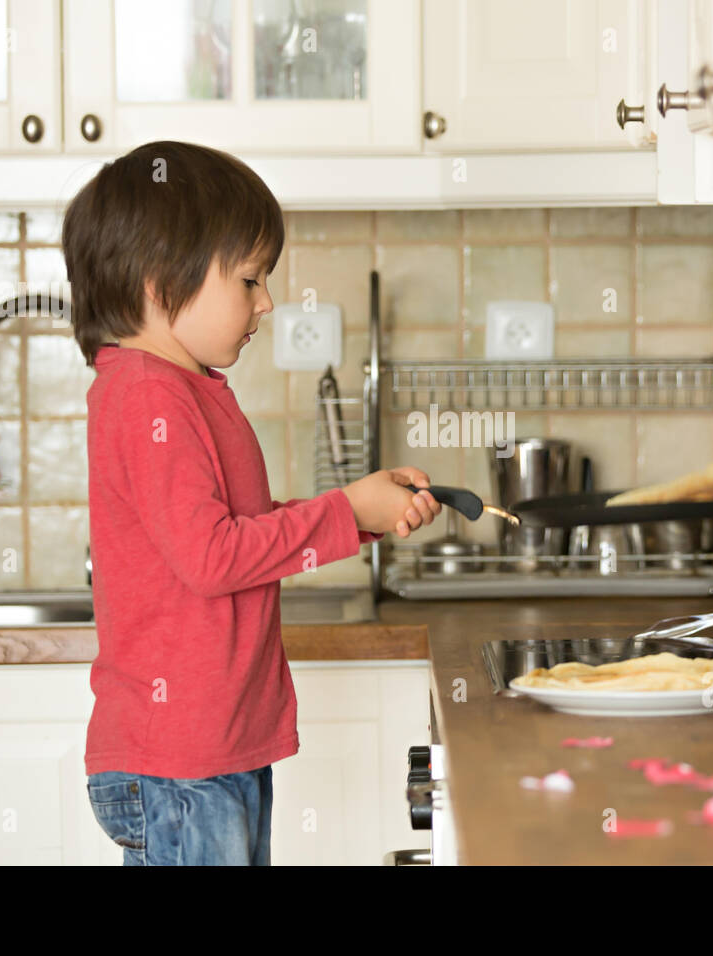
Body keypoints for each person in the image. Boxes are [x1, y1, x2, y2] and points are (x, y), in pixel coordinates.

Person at [62, 141, 440, 865]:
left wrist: (359, 516)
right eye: (249, 279)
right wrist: (344, 512)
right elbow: (212, 558)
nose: (266, 301)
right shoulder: (148, 396)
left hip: (209, 751)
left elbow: (236, 532)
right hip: (180, 766)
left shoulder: (178, 388)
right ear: (157, 280)